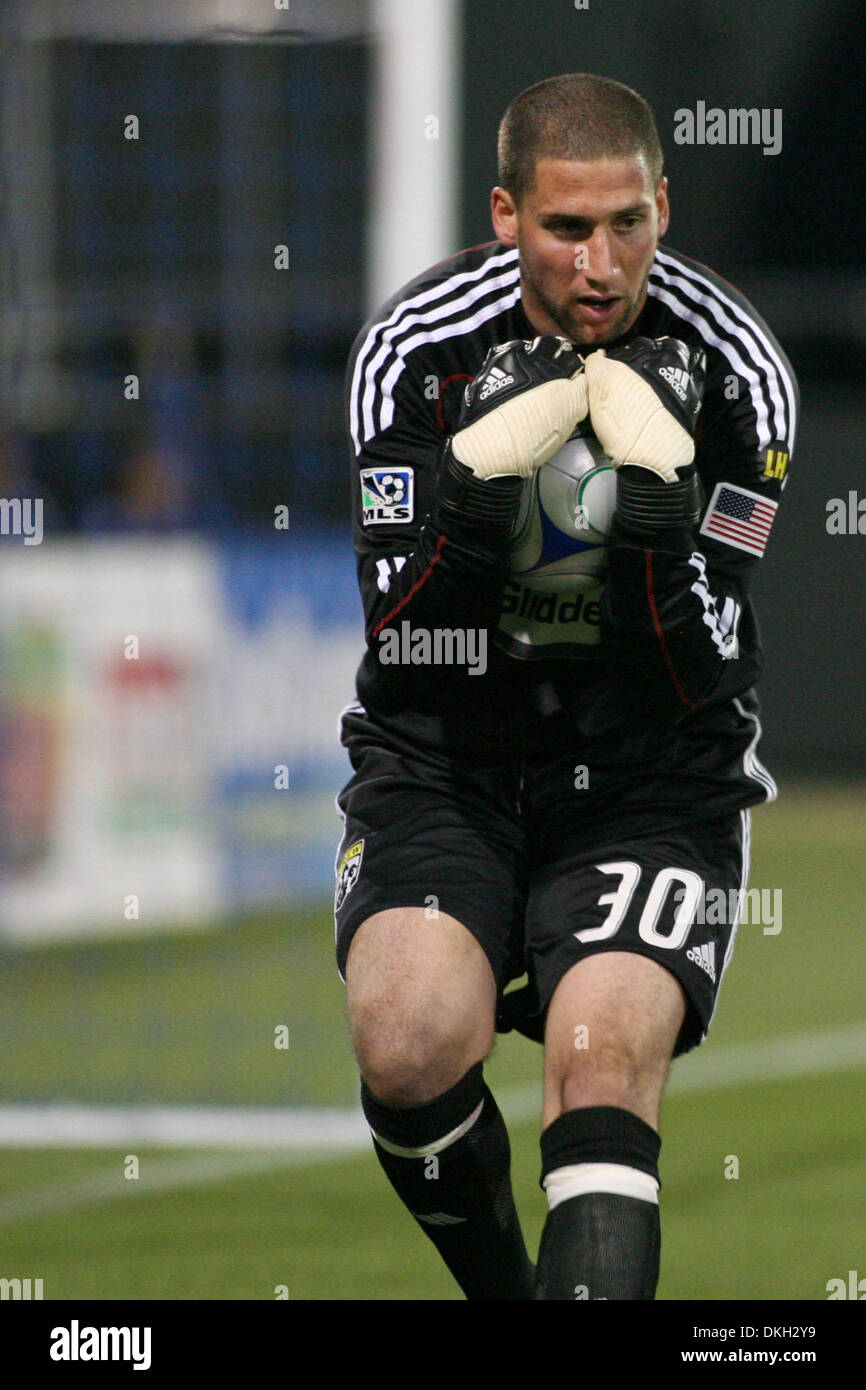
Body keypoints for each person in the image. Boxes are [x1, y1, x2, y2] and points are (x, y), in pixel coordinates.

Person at [334, 73, 798, 1300]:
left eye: (628, 224)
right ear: (503, 215)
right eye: (564, 228)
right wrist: (478, 496)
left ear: (661, 202)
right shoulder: (415, 350)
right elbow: (395, 630)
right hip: (449, 755)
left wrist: (653, 524)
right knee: (408, 1042)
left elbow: (698, 657)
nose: (602, 264)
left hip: (647, 768)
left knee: (596, 1064)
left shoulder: (739, 368)